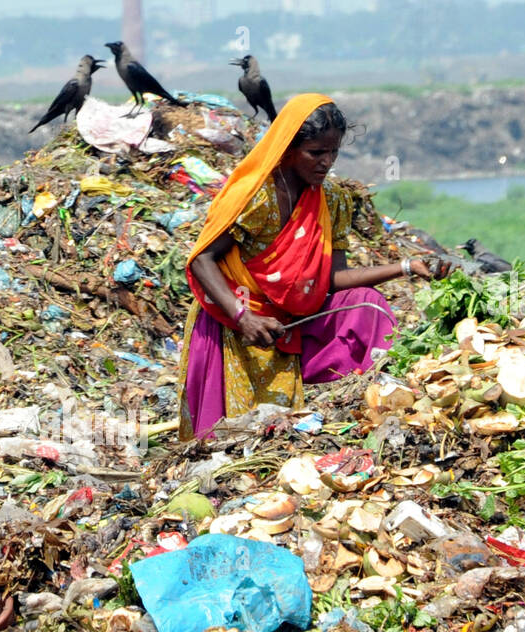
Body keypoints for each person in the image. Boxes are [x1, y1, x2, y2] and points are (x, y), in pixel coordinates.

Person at [181, 92, 447, 440]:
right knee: (229, 439)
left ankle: (384, 398)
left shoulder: (331, 200)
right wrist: (242, 317)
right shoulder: (256, 195)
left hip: (287, 321)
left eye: (333, 152)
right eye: (316, 153)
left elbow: (332, 279)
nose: (326, 163)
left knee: (367, 306)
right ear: (288, 149)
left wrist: (406, 266)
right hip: (233, 319)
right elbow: (203, 259)